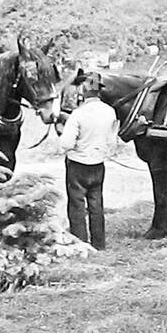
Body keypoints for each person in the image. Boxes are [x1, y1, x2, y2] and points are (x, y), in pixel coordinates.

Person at [58, 72, 118, 250]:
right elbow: (112, 141)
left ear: (83, 90)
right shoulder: (110, 112)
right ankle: (99, 244)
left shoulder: (78, 114)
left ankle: (80, 243)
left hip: (78, 165)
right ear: (99, 91)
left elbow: (66, 144)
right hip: (98, 164)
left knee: (77, 204)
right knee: (96, 203)